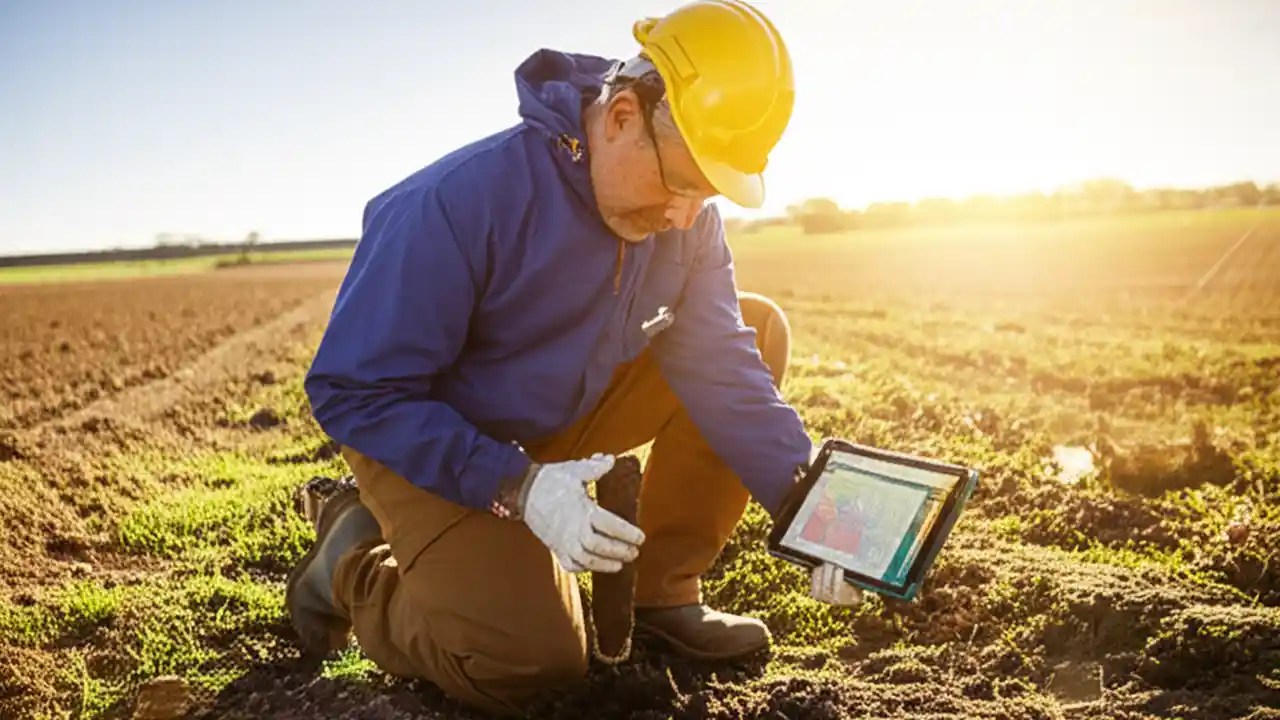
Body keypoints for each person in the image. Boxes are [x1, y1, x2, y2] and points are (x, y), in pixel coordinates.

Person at [287, 1, 862, 715]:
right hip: (439, 441)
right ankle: (351, 559)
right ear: (621, 115)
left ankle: (662, 598)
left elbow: (724, 368)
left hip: (560, 416)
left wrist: (810, 511)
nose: (688, 215)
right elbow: (352, 391)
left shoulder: (686, 222)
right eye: (681, 183)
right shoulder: (454, 203)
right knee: (529, 661)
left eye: (709, 194)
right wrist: (519, 485)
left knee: (756, 327)